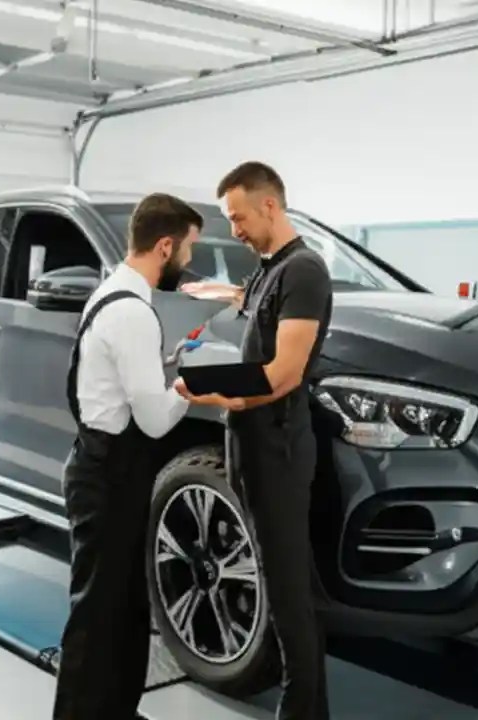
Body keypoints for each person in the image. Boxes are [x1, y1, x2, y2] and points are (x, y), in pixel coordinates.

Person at [52, 192, 229, 720]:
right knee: (98, 614)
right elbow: (153, 419)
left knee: (124, 609)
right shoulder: (134, 312)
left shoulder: (113, 296)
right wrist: (194, 386)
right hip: (110, 477)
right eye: (189, 250)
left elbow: (121, 381)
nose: (190, 263)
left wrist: (171, 364)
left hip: (102, 467)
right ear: (166, 244)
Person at [175, 161, 334, 720]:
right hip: (254, 445)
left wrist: (200, 387)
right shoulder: (272, 269)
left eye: (238, 217)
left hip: (278, 448)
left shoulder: (305, 271)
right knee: (291, 582)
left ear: (270, 206)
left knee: (287, 594)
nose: (234, 229)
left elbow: (283, 373)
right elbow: (254, 302)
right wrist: (222, 293)